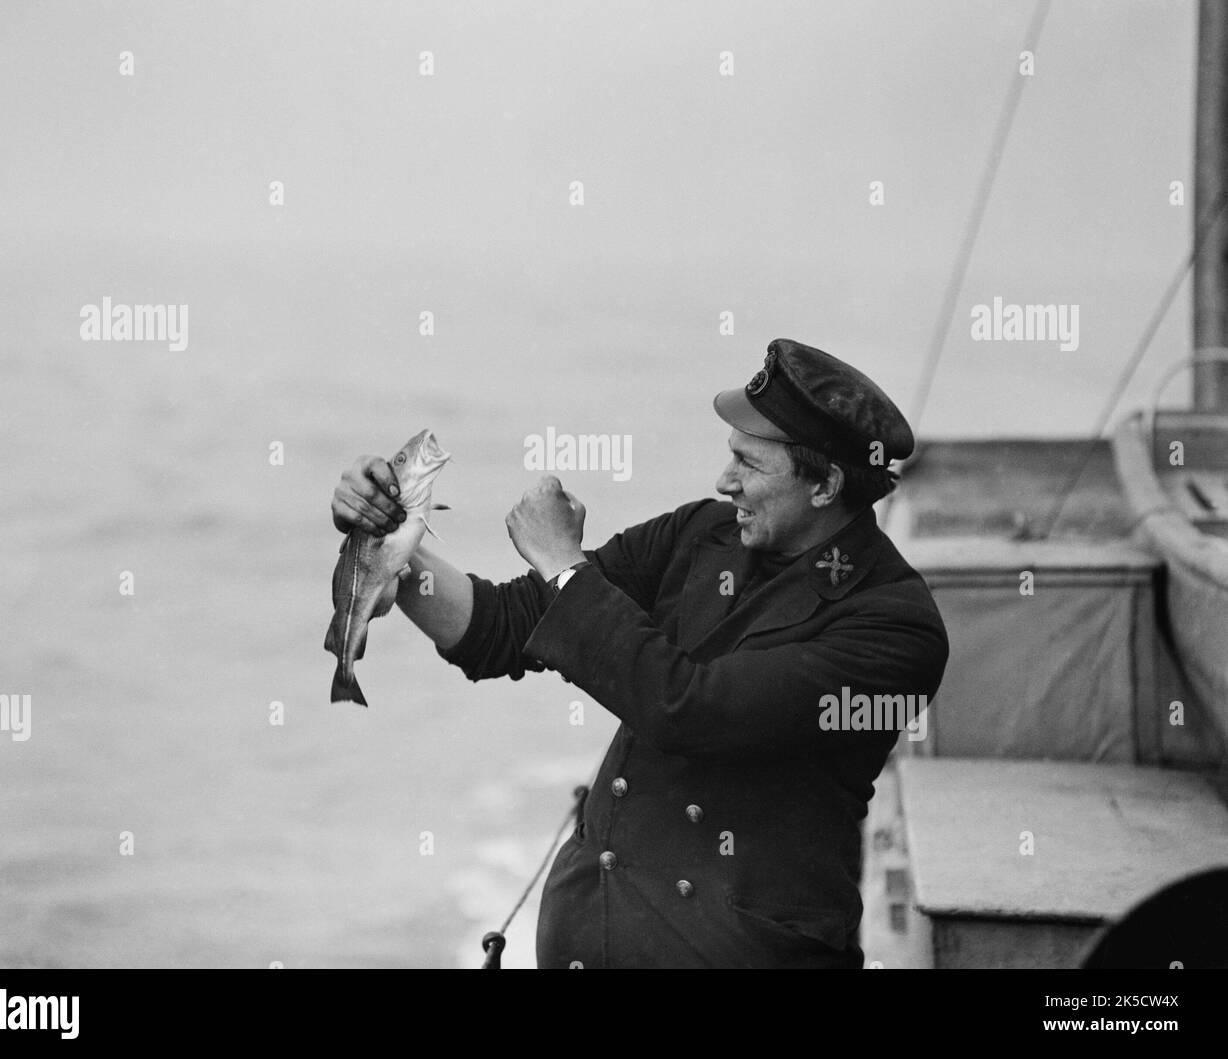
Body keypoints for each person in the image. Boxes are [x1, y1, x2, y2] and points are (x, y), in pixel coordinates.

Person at [331, 339, 949, 968]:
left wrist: (565, 568)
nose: (724, 480)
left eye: (748, 464)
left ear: (826, 485)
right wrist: (389, 548)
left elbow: (693, 711)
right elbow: (499, 628)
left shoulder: (893, 628)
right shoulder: (700, 535)